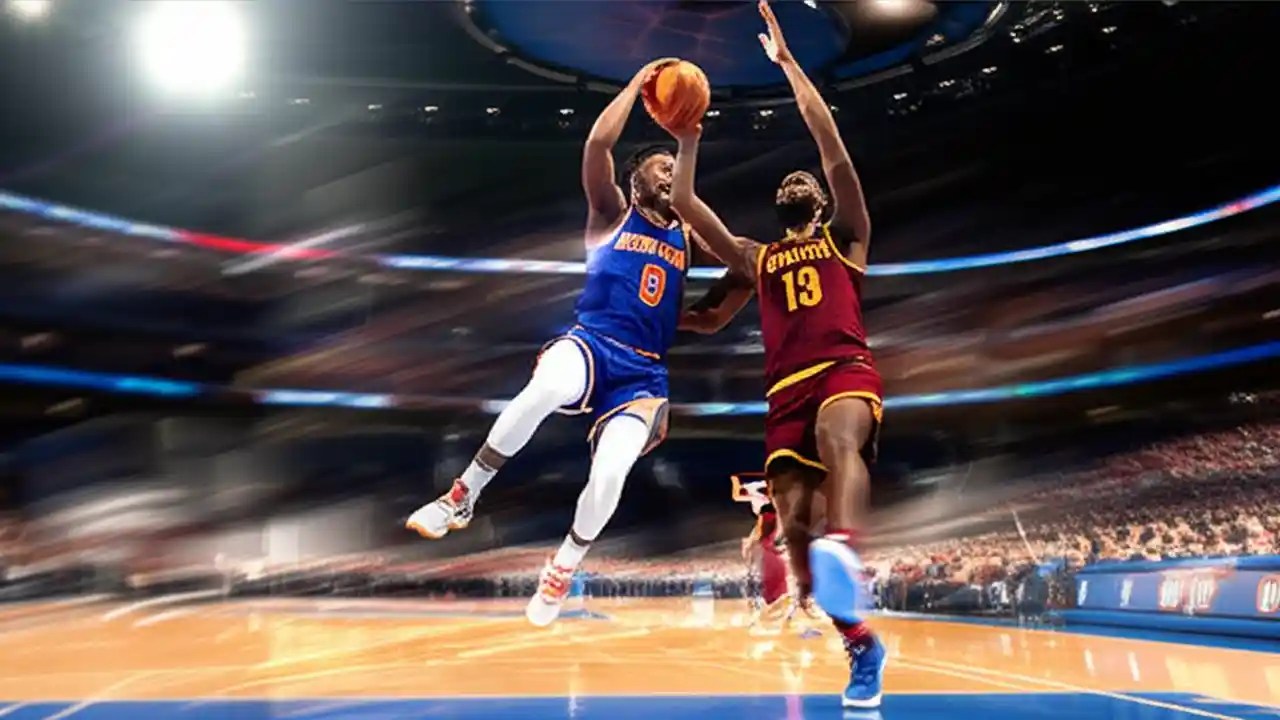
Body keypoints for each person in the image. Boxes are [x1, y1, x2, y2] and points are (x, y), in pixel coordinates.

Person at [405, 59, 753, 627]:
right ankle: (463, 495)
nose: (668, 174)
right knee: (545, 388)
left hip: (643, 374)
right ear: (636, 180)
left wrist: (691, 320)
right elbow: (597, 144)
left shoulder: (690, 237)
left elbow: (744, 267)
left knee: (611, 472)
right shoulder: (611, 213)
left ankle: (564, 565)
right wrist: (638, 81)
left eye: (675, 167)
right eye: (659, 167)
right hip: (591, 342)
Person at [667, 1, 886, 708]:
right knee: (790, 527)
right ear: (784, 206)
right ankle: (860, 644)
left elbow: (836, 150)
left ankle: (847, 545)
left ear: (818, 204)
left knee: (836, 440)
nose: (804, 181)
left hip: (844, 371)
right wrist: (688, 139)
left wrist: (791, 67)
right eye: (790, 184)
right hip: (782, 392)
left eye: (810, 183)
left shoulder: (847, 240)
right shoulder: (757, 259)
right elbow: (688, 204)